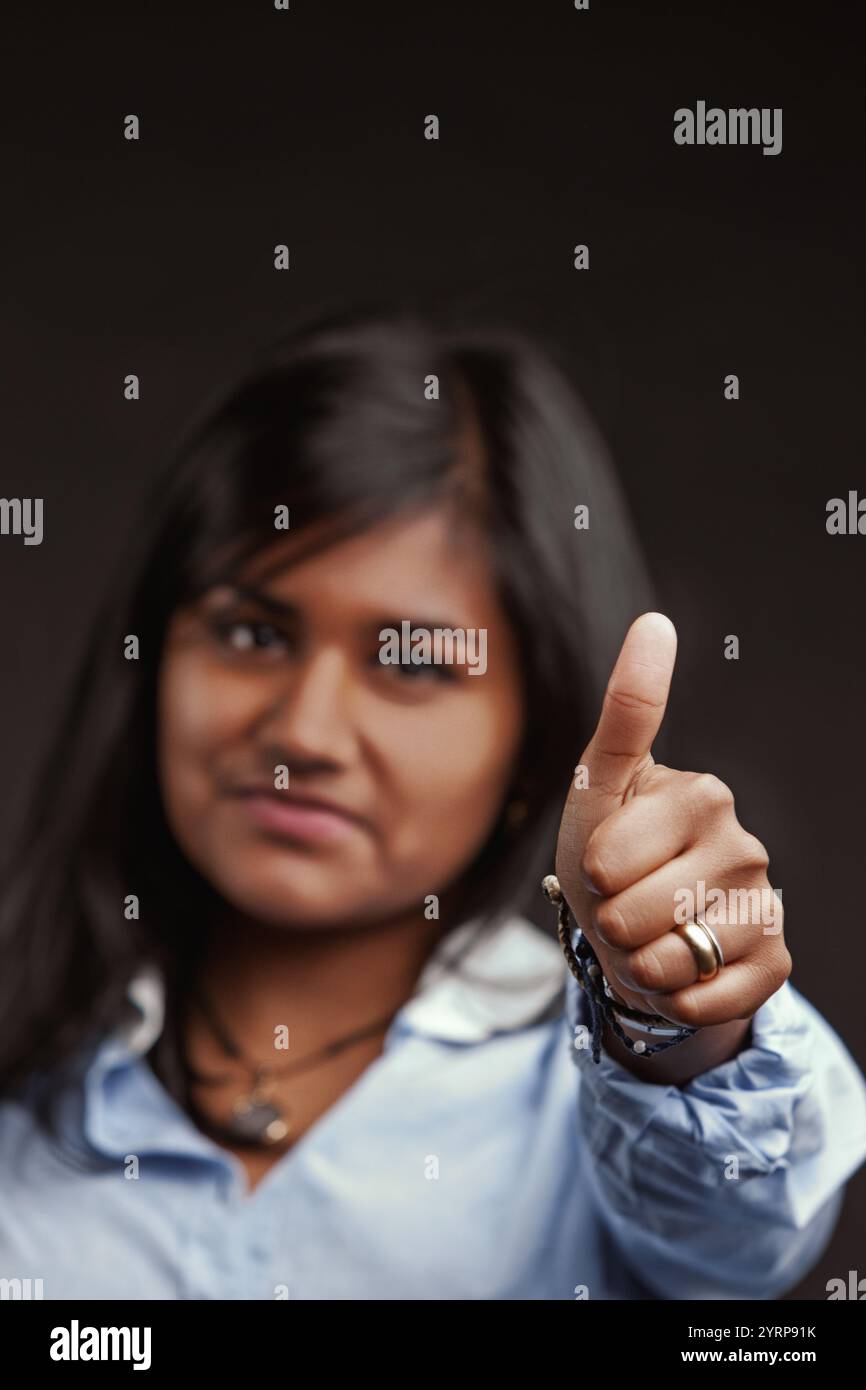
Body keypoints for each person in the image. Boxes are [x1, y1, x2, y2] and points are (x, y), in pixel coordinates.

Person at [1, 305, 864, 1300]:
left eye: (411, 661)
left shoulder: (606, 1111)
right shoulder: (31, 1086)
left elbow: (738, 1231)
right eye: (250, 633)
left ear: (535, 730)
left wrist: (670, 1010)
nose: (304, 732)